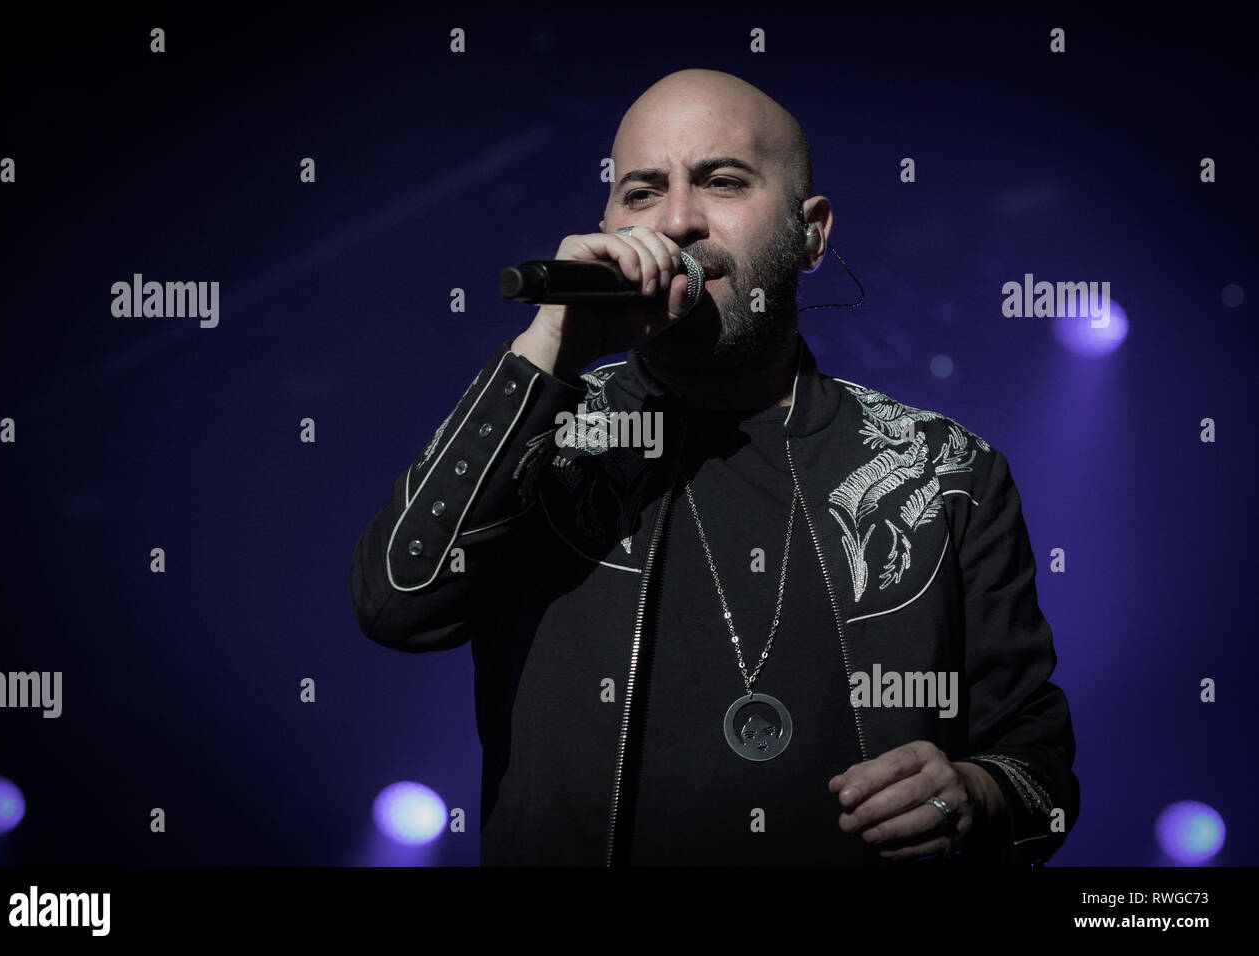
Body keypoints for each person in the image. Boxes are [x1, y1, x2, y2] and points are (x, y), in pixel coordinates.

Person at [348, 68, 1079, 866]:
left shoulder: (943, 473)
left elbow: (1039, 777)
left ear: (812, 233)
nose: (679, 221)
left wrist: (976, 794)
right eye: (642, 192)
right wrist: (551, 347)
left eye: (722, 181)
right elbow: (398, 604)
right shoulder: (548, 433)